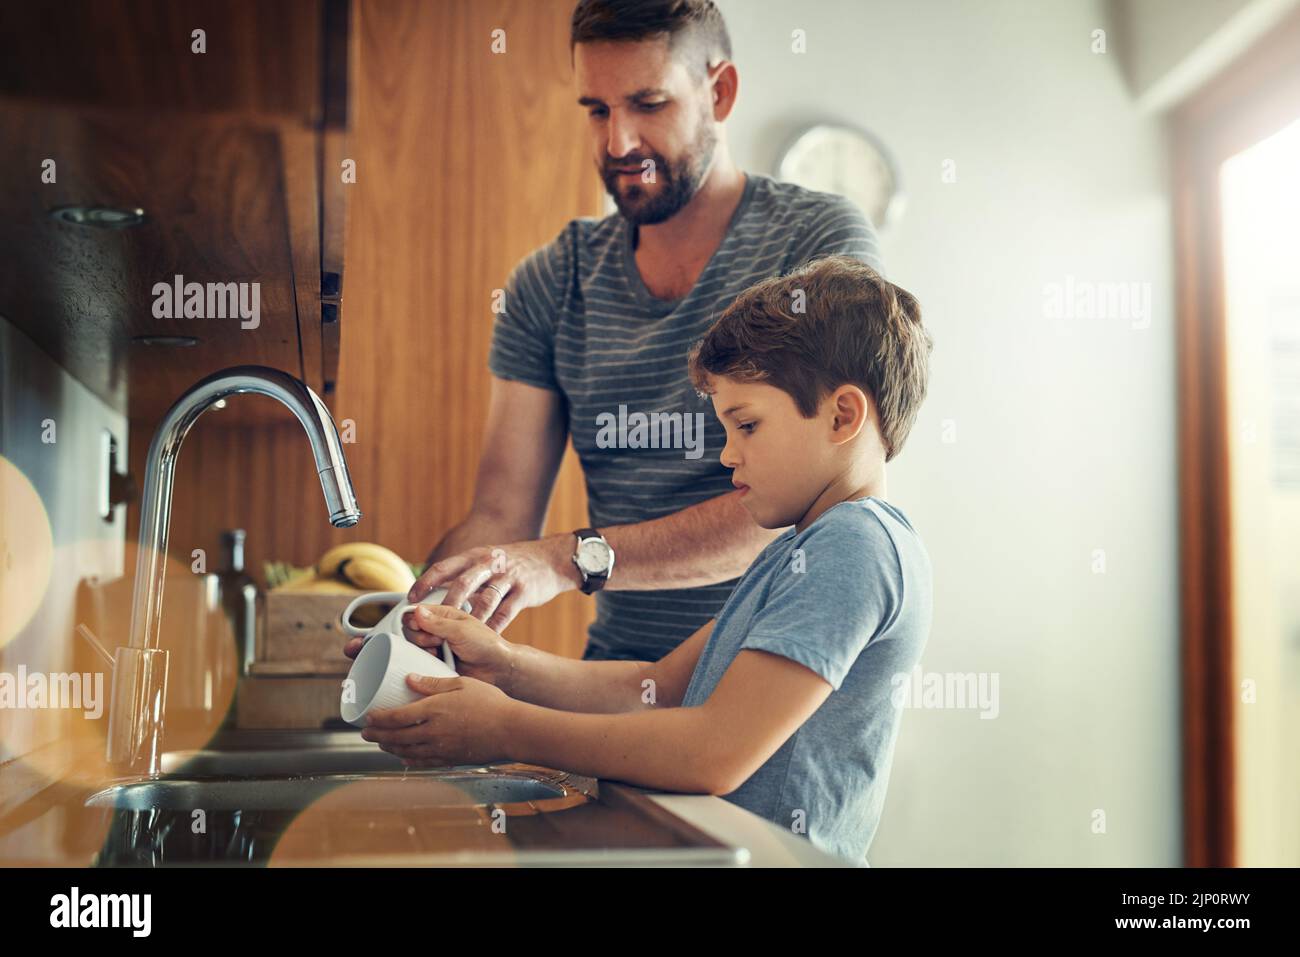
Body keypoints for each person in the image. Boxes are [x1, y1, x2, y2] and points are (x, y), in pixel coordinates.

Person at [359, 255, 934, 864]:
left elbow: (713, 753)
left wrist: (505, 727)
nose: (727, 456)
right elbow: (652, 689)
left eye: (747, 425)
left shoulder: (856, 546)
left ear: (842, 416)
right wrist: (505, 666)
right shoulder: (799, 549)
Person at [404, 0, 883, 662]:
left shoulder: (817, 246)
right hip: (612, 701)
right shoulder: (550, 282)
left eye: (648, 103)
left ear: (719, 91)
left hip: (780, 698)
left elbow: (811, 493)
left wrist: (574, 559)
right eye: (596, 110)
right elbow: (501, 517)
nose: (617, 143)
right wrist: (419, 616)